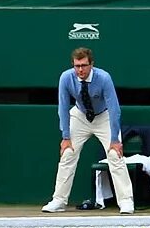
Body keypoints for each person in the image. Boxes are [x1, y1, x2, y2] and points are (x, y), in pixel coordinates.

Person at [43, 47, 133, 215]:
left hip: (104, 116)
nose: (80, 70)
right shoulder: (66, 78)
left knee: (114, 155)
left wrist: (115, 139)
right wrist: (65, 136)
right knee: (68, 153)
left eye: (84, 65)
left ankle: (126, 201)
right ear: (73, 65)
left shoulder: (104, 78)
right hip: (80, 115)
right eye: (77, 66)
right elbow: (63, 108)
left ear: (92, 64)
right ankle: (59, 200)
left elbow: (114, 109)